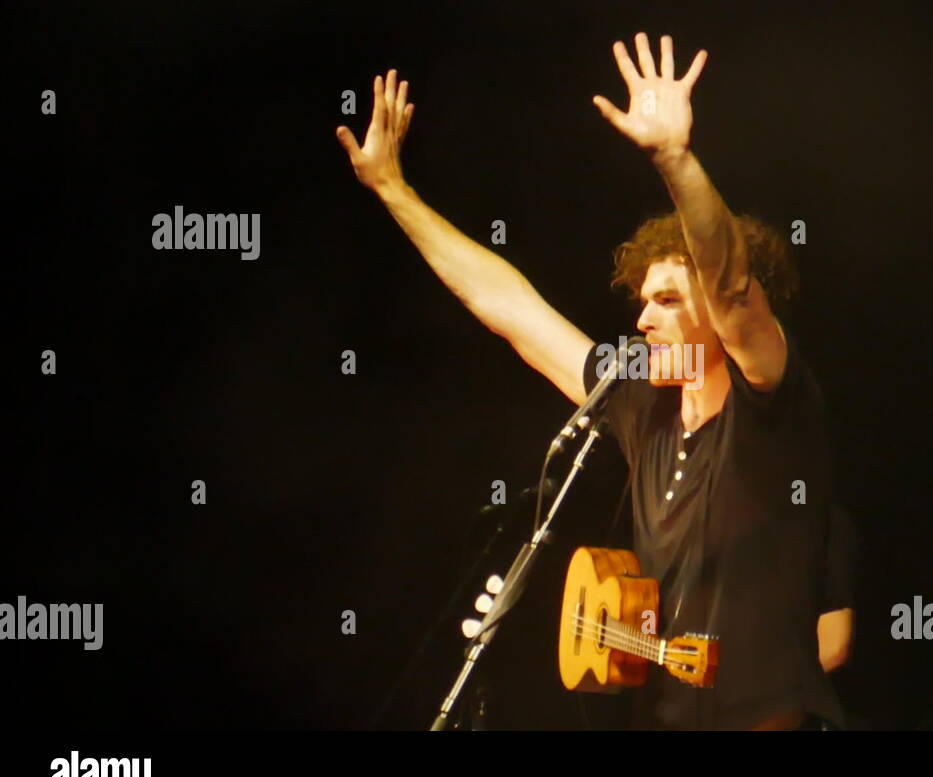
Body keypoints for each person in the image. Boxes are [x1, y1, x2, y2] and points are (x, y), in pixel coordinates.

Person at [337, 33, 844, 730]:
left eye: (668, 299)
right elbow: (511, 310)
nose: (642, 319)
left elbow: (728, 284)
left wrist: (674, 158)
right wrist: (394, 190)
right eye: (642, 300)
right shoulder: (641, 405)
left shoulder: (772, 402)